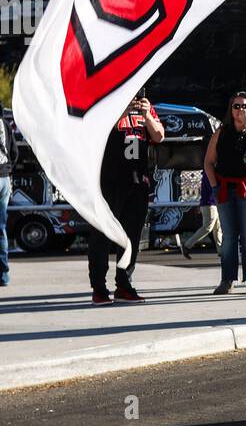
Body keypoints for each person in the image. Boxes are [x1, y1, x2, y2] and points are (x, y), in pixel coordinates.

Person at [88, 91, 165, 304]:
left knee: (131, 236)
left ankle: (124, 283)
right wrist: (122, 108)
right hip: (110, 181)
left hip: (138, 181)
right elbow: (100, 130)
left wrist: (147, 115)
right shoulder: (107, 106)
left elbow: (159, 136)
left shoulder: (146, 110)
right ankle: (98, 286)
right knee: (102, 235)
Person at [205, 91, 246, 295]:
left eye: (244, 106)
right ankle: (227, 280)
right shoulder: (221, 131)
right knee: (229, 237)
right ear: (230, 110)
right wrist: (215, 186)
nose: (240, 110)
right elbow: (208, 162)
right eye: (236, 106)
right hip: (225, 188)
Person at [180, 169, 222, 256]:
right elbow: (213, 188)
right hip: (210, 203)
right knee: (208, 227)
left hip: (210, 203)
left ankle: (221, 251)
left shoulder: (207, 174)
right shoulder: (210, 173)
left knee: (217, 228)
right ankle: (187, 245)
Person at [0, 109, 19, 288]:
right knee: (1, 228)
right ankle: (3, 276)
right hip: (4, 178)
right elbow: (14, 152)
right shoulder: (5, 124)